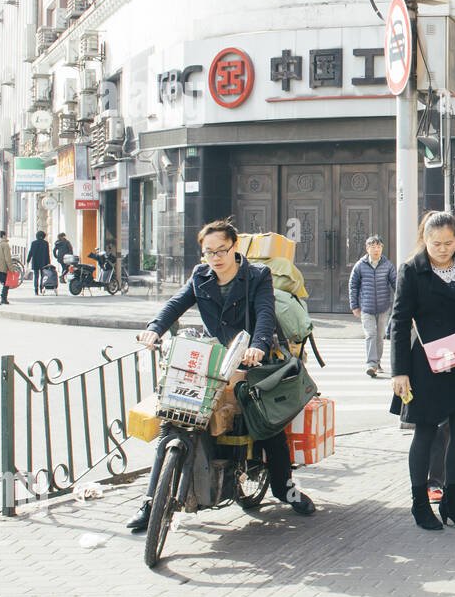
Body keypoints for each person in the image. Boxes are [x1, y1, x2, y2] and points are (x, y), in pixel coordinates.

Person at [127, 219, 315, 533]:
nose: (215, 258)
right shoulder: (200, 277)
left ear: (234, 247)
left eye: (221, 251)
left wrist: (257, 345)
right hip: (216, 358)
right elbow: (176, 304)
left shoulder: (257, 275)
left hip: (253, 356)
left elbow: (266, 313)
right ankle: (150, 502)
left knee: (265, 421)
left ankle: (284, 487)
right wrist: (154, 328)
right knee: (172, 417)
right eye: (208, 252)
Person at [389, 212, 455, 531]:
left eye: (449, 243)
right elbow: (400, 321)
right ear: (424, 240)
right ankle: (420, 504)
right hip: (426, 362)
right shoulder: (411, 269)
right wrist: (399, 370)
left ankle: (452, 502)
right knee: (425, 431)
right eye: (436, 244)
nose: (443, 249)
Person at [350, 235, 397, 376]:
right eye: (373, 247)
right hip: (366, 307)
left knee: (380, 336)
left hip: (383, 307)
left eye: (379, 247)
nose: (376, 250)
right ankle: (371, 364)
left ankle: (377, 361)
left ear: (382, 248)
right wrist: (354, 306)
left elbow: (395, 284)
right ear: (367, 248)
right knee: (370, 334)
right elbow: (353, 286)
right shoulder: (360, 265)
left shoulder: (388, 265)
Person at [27, 231, 51, 296]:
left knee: (36, 276)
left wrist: (28, 260)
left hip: (35, 262)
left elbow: (30, 252)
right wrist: (48, 263)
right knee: (42, 276)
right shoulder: (46, 243)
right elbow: (47, 254)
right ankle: (41, 288)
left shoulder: (33, 243)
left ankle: (36, 290)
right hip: (43, 262)